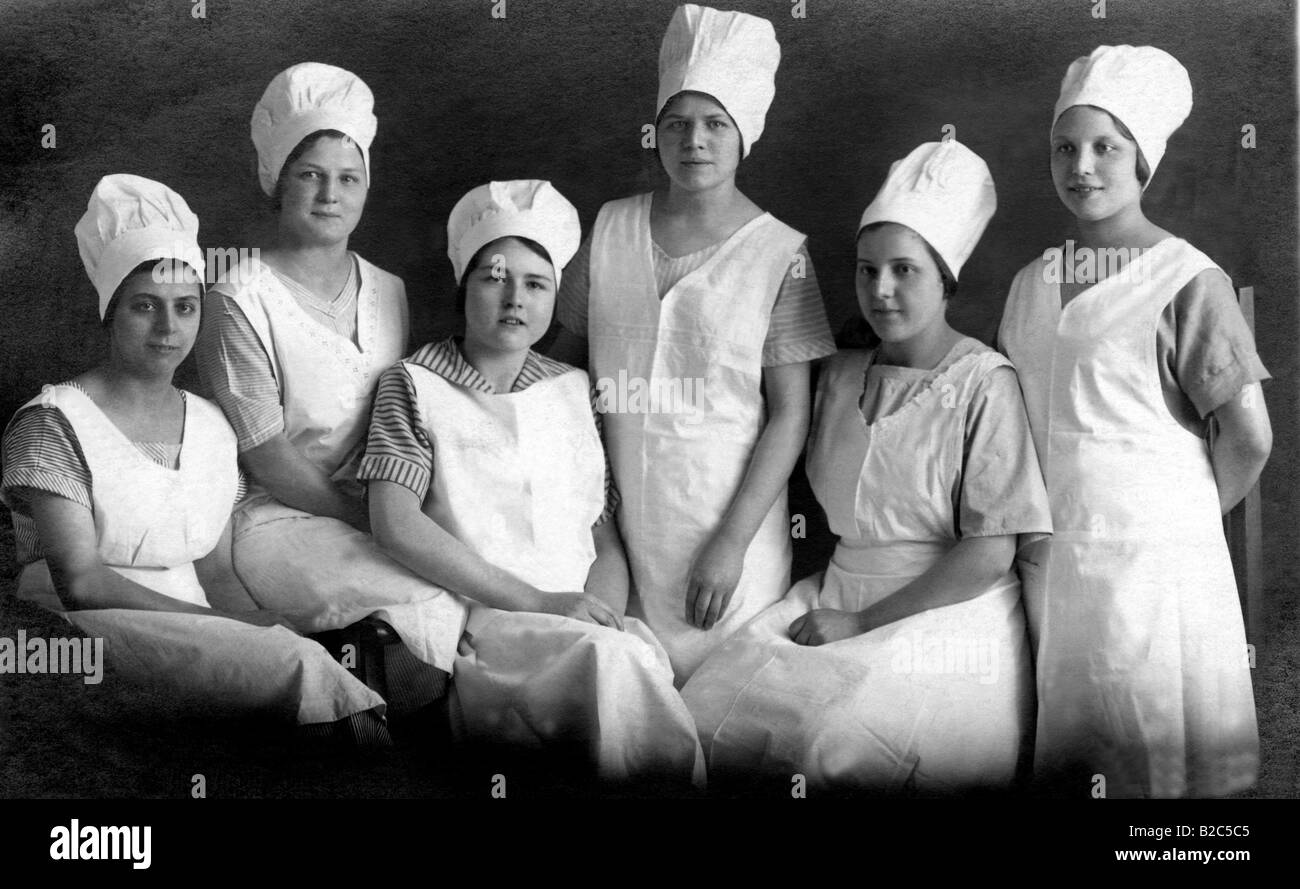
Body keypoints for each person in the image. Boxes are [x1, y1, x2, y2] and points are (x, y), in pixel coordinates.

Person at [682, 142, 1052, 793]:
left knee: (835, 742)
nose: (880, 290)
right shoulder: (843, 373)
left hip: (948, 617)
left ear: (945, 280)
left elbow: (989, 556)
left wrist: (857, 626)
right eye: (866, 269)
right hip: (838, 591)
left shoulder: (983, 383)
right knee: (705, 709)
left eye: (904, 270)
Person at [0, 174, 387, 742]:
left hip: (199, 627)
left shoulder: (212, 425)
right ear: (110, 312)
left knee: (308, 653)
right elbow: (80, 582)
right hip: (85, 634)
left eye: (185, 307)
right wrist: (229, 628)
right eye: (144, 307)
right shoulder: (55, 421)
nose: (168, 328)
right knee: (299, 669)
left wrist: (254, 623)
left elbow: (218, 571)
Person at [361, 180, 704, 786]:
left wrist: (592, 611)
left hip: (581, 624)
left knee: (623, 660)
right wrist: (541, 605)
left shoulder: (575, 390)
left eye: (536, 283)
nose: (514, 298)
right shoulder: (413, 384)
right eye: (495, 277)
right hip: (492, 627)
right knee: (610, 668)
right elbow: (395, 523)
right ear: (463, 285)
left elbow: (603, 533)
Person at [999, 46, 1272, 798]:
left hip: (1155, 565)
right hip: (1052, 559)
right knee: (1075, 746)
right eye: (1065, 147)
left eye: (1104, 147)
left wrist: (1173, 518)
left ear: (1141, 158)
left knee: (1155, 759)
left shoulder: (1186, 280)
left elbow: (1250, 438)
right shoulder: (1028, 286)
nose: (1081, 165)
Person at [550, 4, 836, 683]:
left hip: (726, 526)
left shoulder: (780, 253)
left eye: (715, 124)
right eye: (677, 124)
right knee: (625, 693)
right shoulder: (611, 230)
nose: (695, 141)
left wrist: (731, 540)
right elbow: (560, 366)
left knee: (723, 703)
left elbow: (790, 414)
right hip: (615, 525)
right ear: (656, 133)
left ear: (745, 136)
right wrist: (584, 508)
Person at [195, 63, 464, 711]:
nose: (329, 195)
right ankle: (360, 696)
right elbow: (268, 456)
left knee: (459, 585)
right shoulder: (237, 298)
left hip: (380, 510)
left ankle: (382, 684)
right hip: (281, 516)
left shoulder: (389, 290)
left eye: (348, 178)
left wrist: (403, 516)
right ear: (276, 182)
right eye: (310, 175)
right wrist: (375, 522)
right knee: (419, 595)